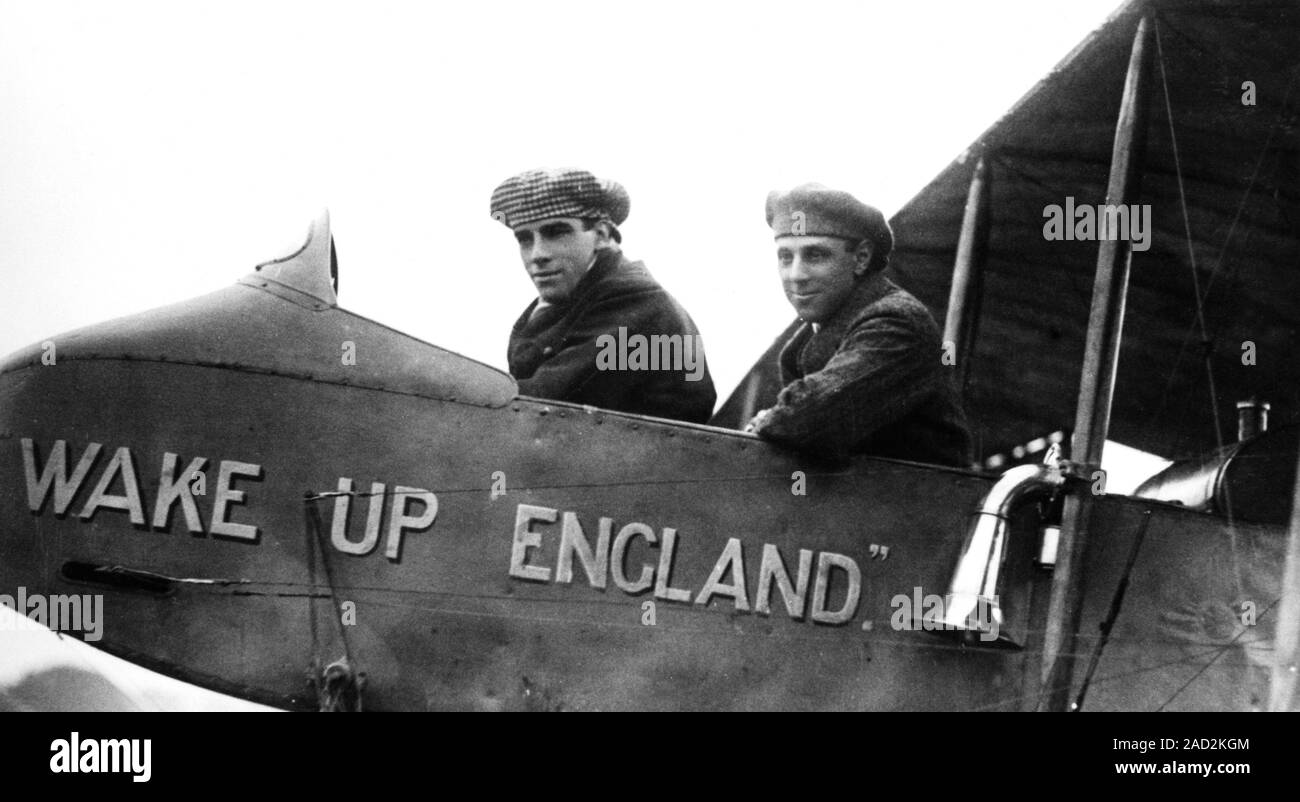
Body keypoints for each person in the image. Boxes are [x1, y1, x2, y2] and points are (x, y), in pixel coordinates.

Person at [746, 183, 972, 466]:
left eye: (815, 255)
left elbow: (812, 417)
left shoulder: (896, 321)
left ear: (861, 258)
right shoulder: (815, 333)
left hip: (916, 503)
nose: (796, 275)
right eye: (785, 257)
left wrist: (768, 420)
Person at [490, 168, 716, 423]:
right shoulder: (575, 302)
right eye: (524, 239)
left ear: (602, 235)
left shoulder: (634, 299)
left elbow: (537, 403)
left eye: (556, 233)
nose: (537, 254)